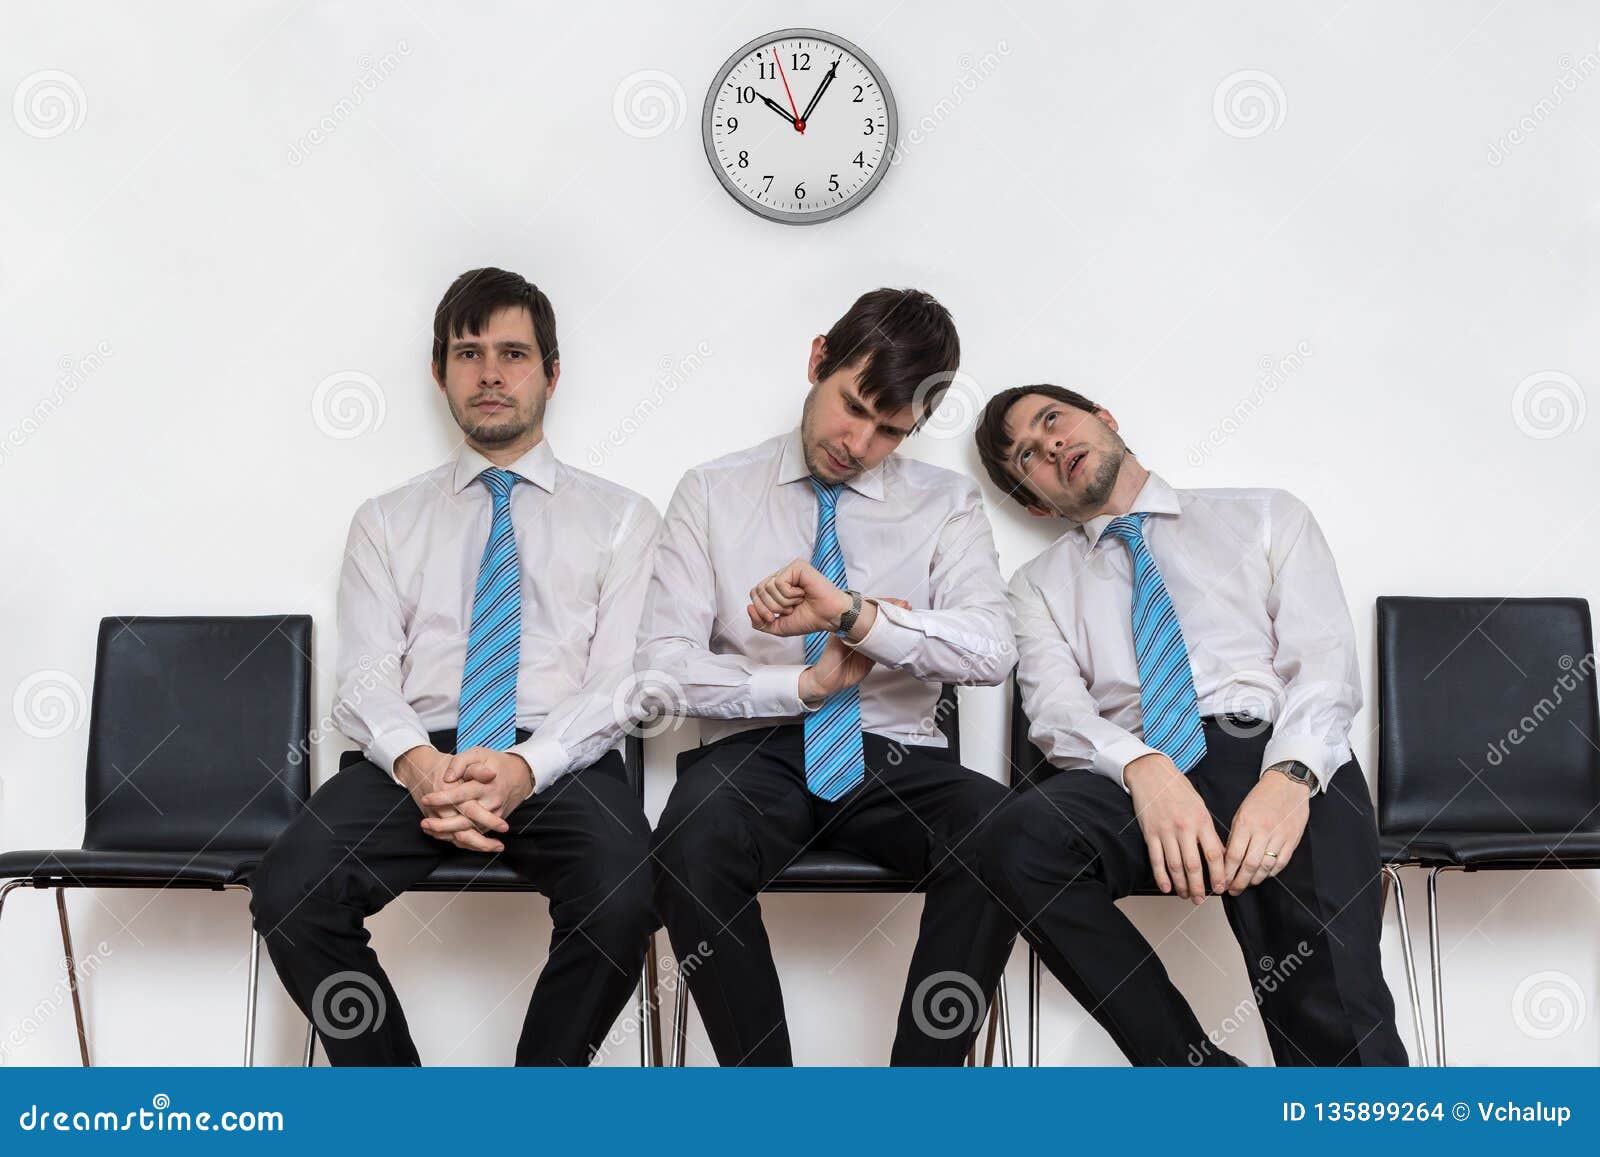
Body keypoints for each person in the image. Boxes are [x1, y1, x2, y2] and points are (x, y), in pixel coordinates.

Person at [250, 267, 661, 1066]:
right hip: (415, 754)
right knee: (290, 891)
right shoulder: (386, 519)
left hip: (560, 757)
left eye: (514, 353)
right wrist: (421, 766)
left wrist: (521, 766)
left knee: (627, 893)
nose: (492, 373)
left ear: (552, 372)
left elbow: (620, 683)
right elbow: (365, 675)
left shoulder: (622, 518)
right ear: (439, 372)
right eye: (468, 353)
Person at [970, 383, 1406, 1066]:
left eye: (1053, 420)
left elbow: (1323, 661)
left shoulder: (1265, 515)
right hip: (1139, 775)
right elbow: (1058, 713)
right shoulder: (1036, 584)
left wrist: (1291, 778)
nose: (1050, 445)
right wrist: (1145, 770)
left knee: (1332, 1011)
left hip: (1269, 747)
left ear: (1104, 419)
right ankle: (1194, 1078)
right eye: (1027, 454)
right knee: (1011, 838)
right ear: (1033, 501)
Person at [639, 288, 1018, 1065]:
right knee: (692, 833)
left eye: (891, 430)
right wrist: (803, 688)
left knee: (1007, 830)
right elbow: (662, 670)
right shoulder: (713, 491)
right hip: (758, 750)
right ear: (818, 360)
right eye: (853, 406)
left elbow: (991, 649)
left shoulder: (946, 503)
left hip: (897, 756)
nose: (860, 442)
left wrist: (855, 616)